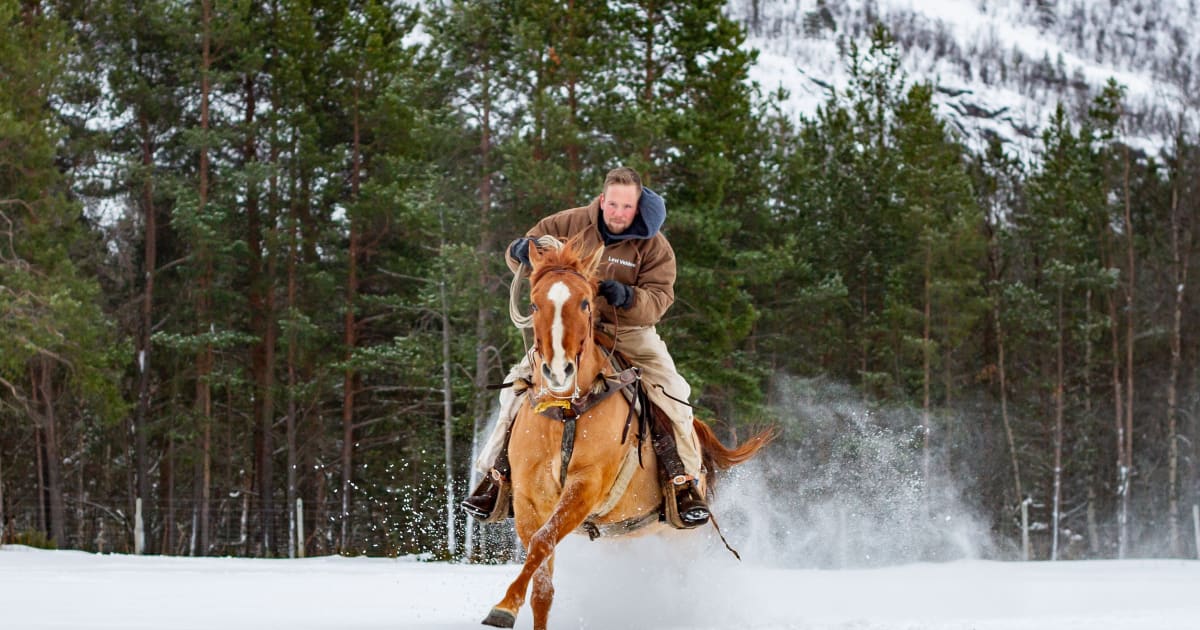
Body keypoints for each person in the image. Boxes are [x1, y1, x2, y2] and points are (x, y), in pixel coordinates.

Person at [461, 166, 710, 528]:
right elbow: (527, 254)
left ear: (637, 205)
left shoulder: (654, 245)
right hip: (570, 329)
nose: (619, 213)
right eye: (613, 204)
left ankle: (683, 481)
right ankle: (496, 477)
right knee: (516, 386)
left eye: (627, 206)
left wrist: (628, 297)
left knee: (673, 393)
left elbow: (660, 298)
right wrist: (516, 251)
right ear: (601, 200)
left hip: (628, 330)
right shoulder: (567, 224)